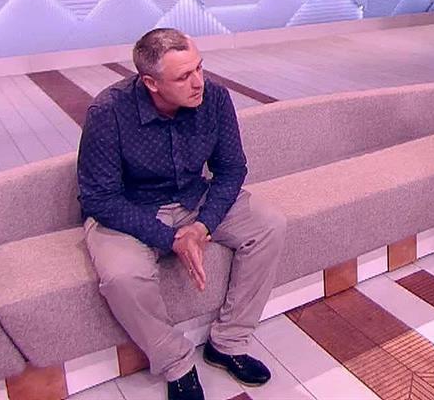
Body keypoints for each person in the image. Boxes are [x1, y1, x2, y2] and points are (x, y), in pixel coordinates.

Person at [78, 28, 286, 400]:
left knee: (269, 225)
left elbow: (231, 169)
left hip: (194, 198)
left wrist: (202, 226)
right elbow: (100, 198)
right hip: (131, 210)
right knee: (123, 276)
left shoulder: (215, 98)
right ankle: (176, 363)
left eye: (199, 68)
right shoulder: (108, 112)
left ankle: (228, 343)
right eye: (183, 76)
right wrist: (171, 238)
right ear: (151, 83)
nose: (198, 82)